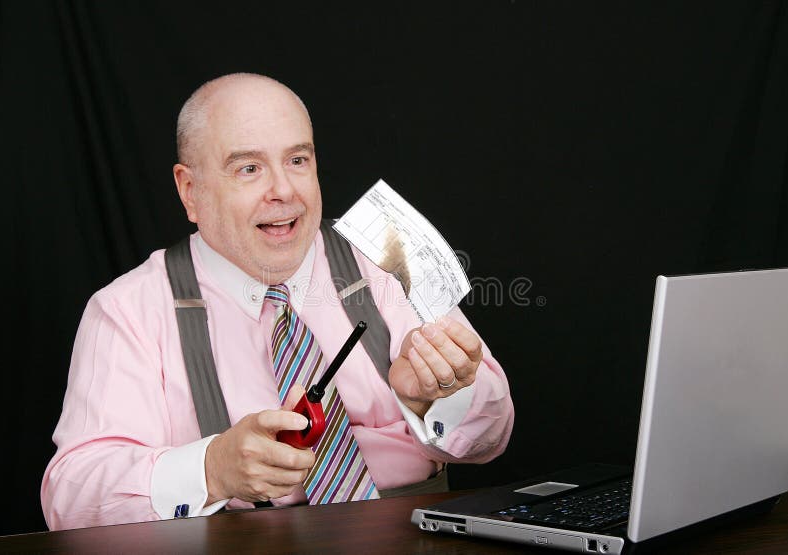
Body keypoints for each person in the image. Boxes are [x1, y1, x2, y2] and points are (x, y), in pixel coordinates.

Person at [41, 73, 514, 530]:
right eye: (248, 168)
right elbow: (71, 498)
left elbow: (492, 436)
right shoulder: (126, 309)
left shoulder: (390, 258)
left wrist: (435, 400)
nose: (284, 191)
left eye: (297, 160)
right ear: (190, 190)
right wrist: (211, 470)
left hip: (411, 534)